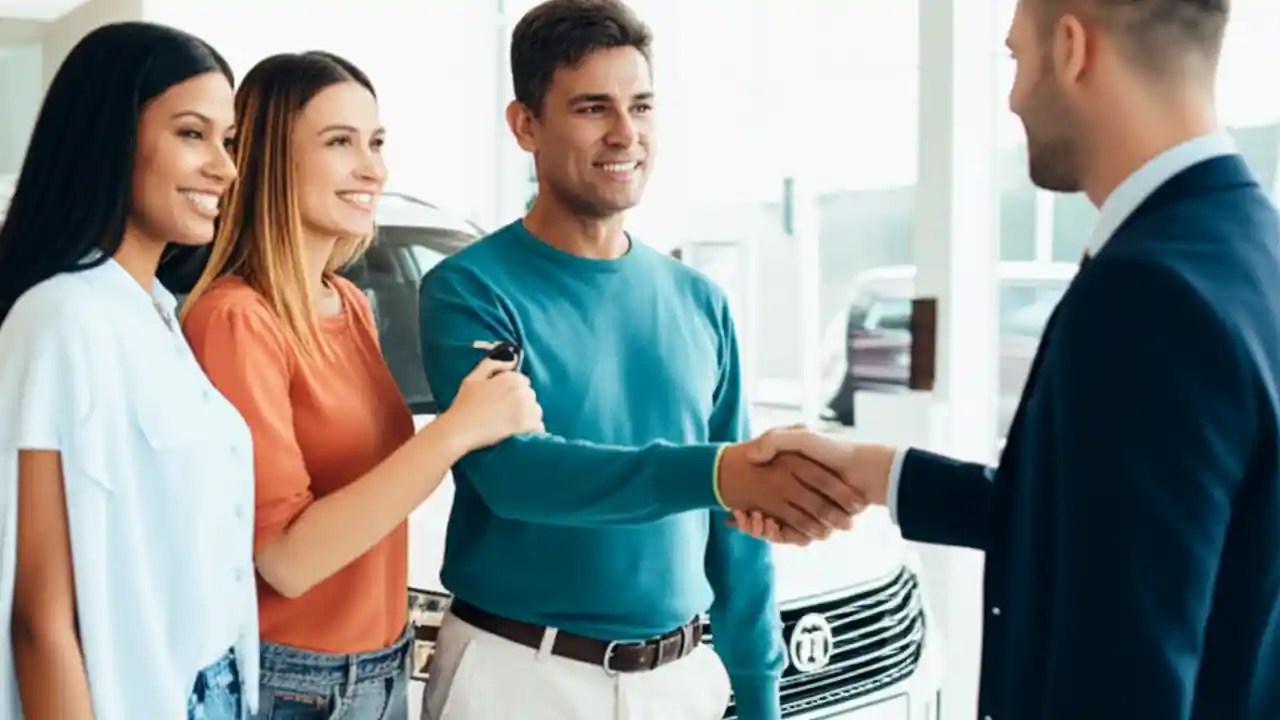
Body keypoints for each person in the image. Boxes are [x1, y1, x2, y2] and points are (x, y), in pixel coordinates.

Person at [736, 1, 1280, 718]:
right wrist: (875, 473)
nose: (1015, 97)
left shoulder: (1148, 293)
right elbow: (1108, 528)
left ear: (1073, 46)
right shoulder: (1250, 249)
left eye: (1017, 59)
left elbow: (1127, 672)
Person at [415, 2, 862, 719]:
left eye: (641, 106)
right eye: (593, 108)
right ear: (526, 125)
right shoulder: (470, 288)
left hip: (680, 683)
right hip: (516, 678)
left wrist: (759, 694)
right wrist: (714, 470)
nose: (626, 133)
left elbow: (737, 528)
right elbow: (514, 474)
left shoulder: (700, 302)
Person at [179, 51, 543, 720]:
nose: (372, 167)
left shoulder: (345, 300)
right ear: (269, 159)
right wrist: (457, 429)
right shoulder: (235, 319)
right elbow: (285, 559)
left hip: (382, 665)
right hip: (292, 682)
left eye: (375, 142)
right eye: (340, 142)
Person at [0, 21, 258, 720]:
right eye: (191, 133)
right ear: (110, 137)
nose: (225, 168)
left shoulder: (154, 313)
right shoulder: (59, 320)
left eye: (227, 140)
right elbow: (39, 619)